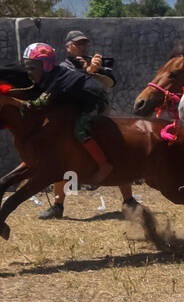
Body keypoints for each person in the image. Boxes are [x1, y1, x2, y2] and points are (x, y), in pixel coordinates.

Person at [38, 30, 136, 220]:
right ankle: (58, 206)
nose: (83, 47)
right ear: (68, 47)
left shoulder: (93, 61)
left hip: (97, 112)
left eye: (84, 43)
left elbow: (111, 81)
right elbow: (71, 85)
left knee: (117, 148)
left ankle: (129, 200)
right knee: (61, 156)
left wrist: (98, 69)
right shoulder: (63, 67)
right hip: (74, 116)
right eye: (78, 44)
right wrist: (88, 71)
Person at [21, 42, 113, 185]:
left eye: (32, 67)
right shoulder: (51, 76)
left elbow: (40, 102)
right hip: (82, 101)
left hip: (96, 102)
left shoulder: (57, 79)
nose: (29, 72)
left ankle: (104, 165)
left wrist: (13, 102)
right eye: (27, 67)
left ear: (45, 66)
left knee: (79, 130)